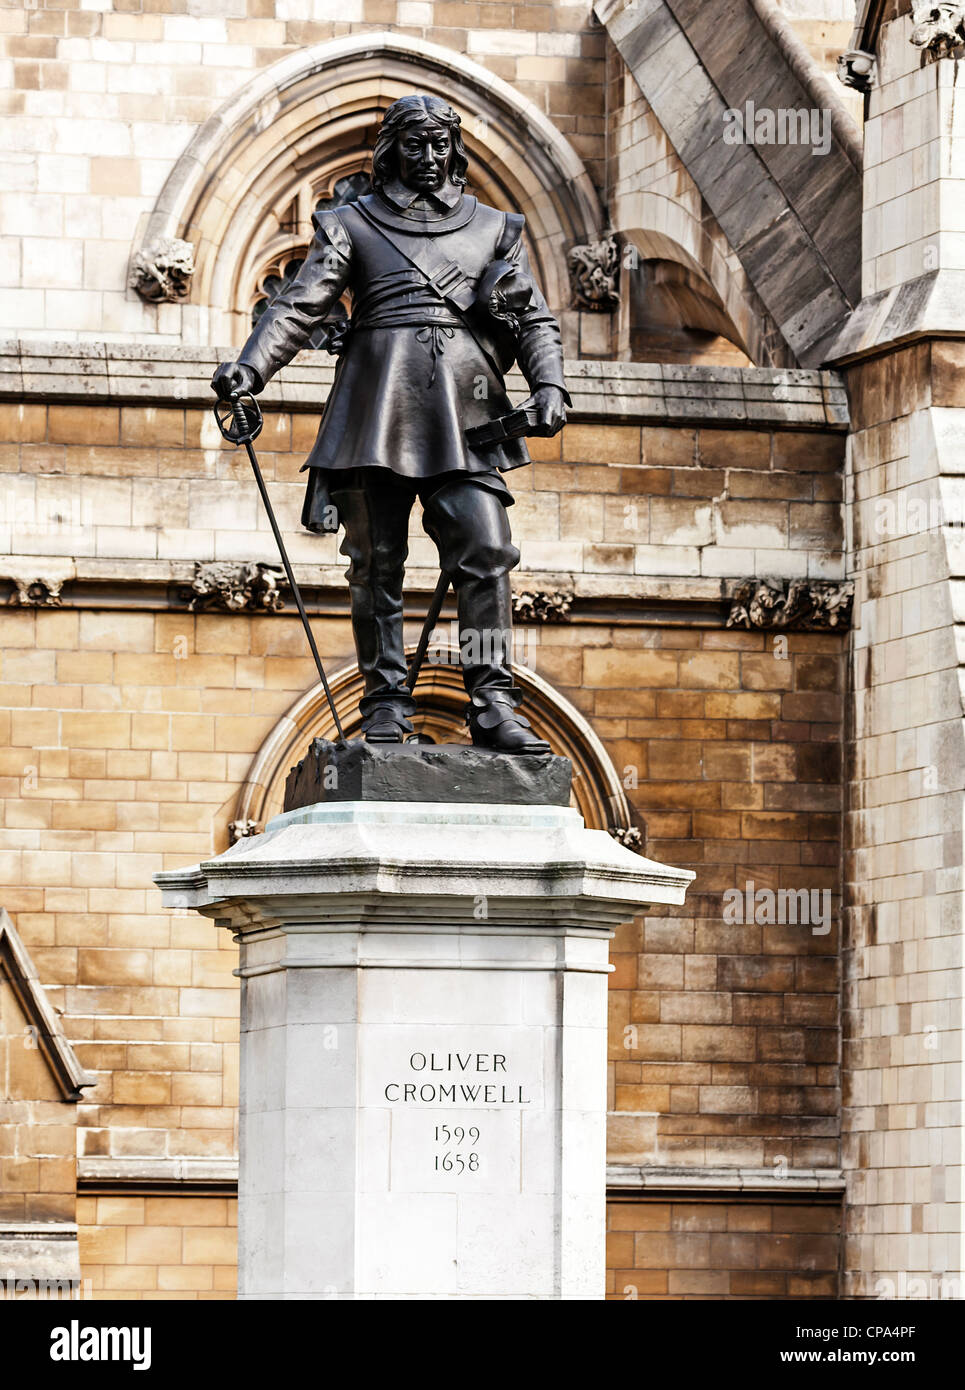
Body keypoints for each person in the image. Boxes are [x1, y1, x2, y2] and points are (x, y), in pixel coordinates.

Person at [212, 93, 569, 753]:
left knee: (486, 549)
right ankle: (384, 704)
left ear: (453, 149)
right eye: (413, 144)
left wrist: (549, 383)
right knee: (376, 564)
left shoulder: (495, 228)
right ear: (390, 150)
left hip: (466, 414)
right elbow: (298, 305)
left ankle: (492, 700)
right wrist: (250, 369)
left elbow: (531, 319)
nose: (428, 157)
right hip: (374, 407)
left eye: (439, 144)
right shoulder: (349, 223)